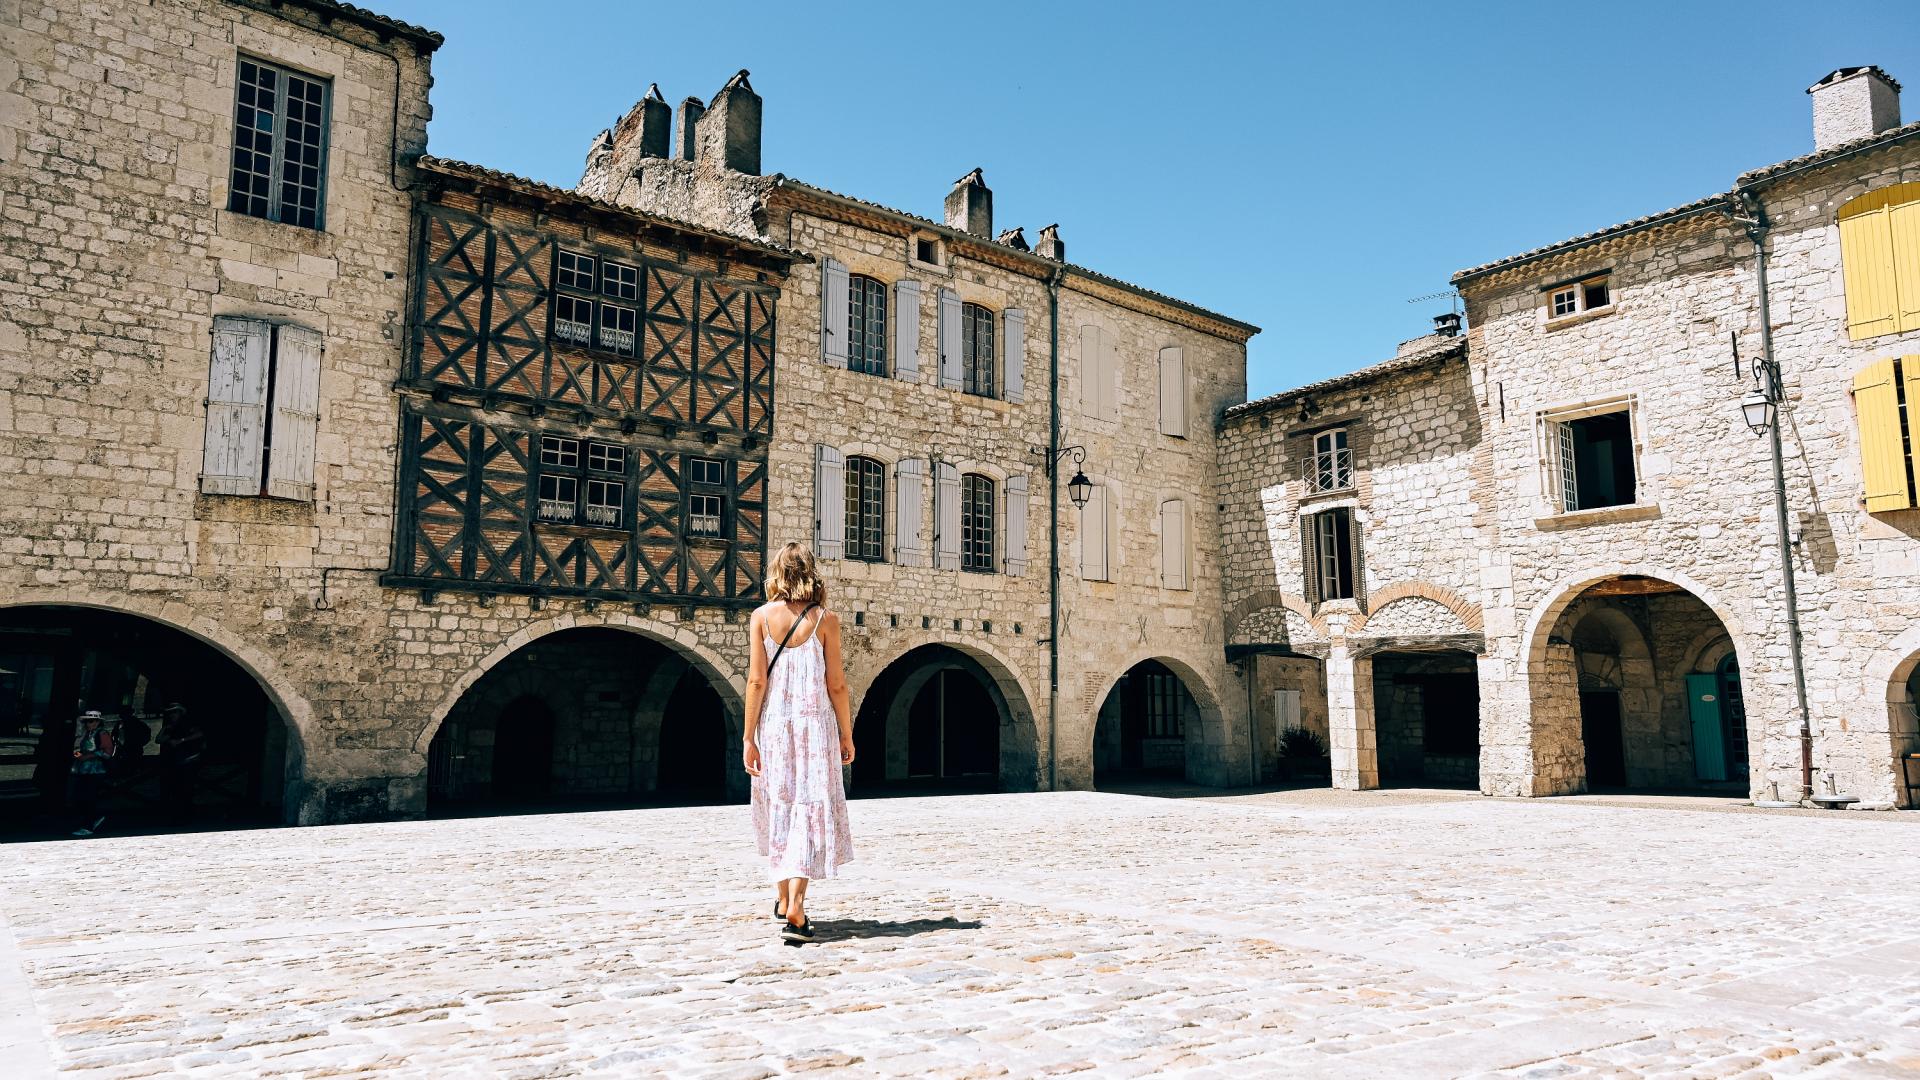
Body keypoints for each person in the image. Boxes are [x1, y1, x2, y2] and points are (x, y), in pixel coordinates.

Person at [744, 542, 854, 944]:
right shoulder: (826, 620)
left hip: (774, 728)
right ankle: (796, 905)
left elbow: (757, 681)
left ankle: (781, 896)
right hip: (815, 729)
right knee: (808, 807)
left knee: (780, 806)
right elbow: (837, 684)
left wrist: (747, 737)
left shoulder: (760, 617)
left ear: (777, 573)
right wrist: (846, 733)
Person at [69, 709, 113, 837]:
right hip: (82, 770)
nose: (88, 724)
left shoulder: (102, 734)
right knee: (82, 797)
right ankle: (91, 821)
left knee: (89, 798)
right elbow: (76, 750)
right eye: (87, 721)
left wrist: (90, 756)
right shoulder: (85, 734)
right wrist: (78, 756)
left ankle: (88, 825)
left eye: (91, 721)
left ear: (98, 722)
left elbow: (108, 752)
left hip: (96, 771)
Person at [157, 703, 205, 822]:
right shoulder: (170, 727)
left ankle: (186, 815)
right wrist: (165, 729)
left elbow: (200, 734)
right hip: (176, 762)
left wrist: (181, 740)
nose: (172, 715)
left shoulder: (188, 724)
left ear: (180, 713)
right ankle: (180, 816)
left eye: (174, 712)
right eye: (170, 713)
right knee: (177, 790)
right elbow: (158, 740)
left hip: (188, 760)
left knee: (186, 789)